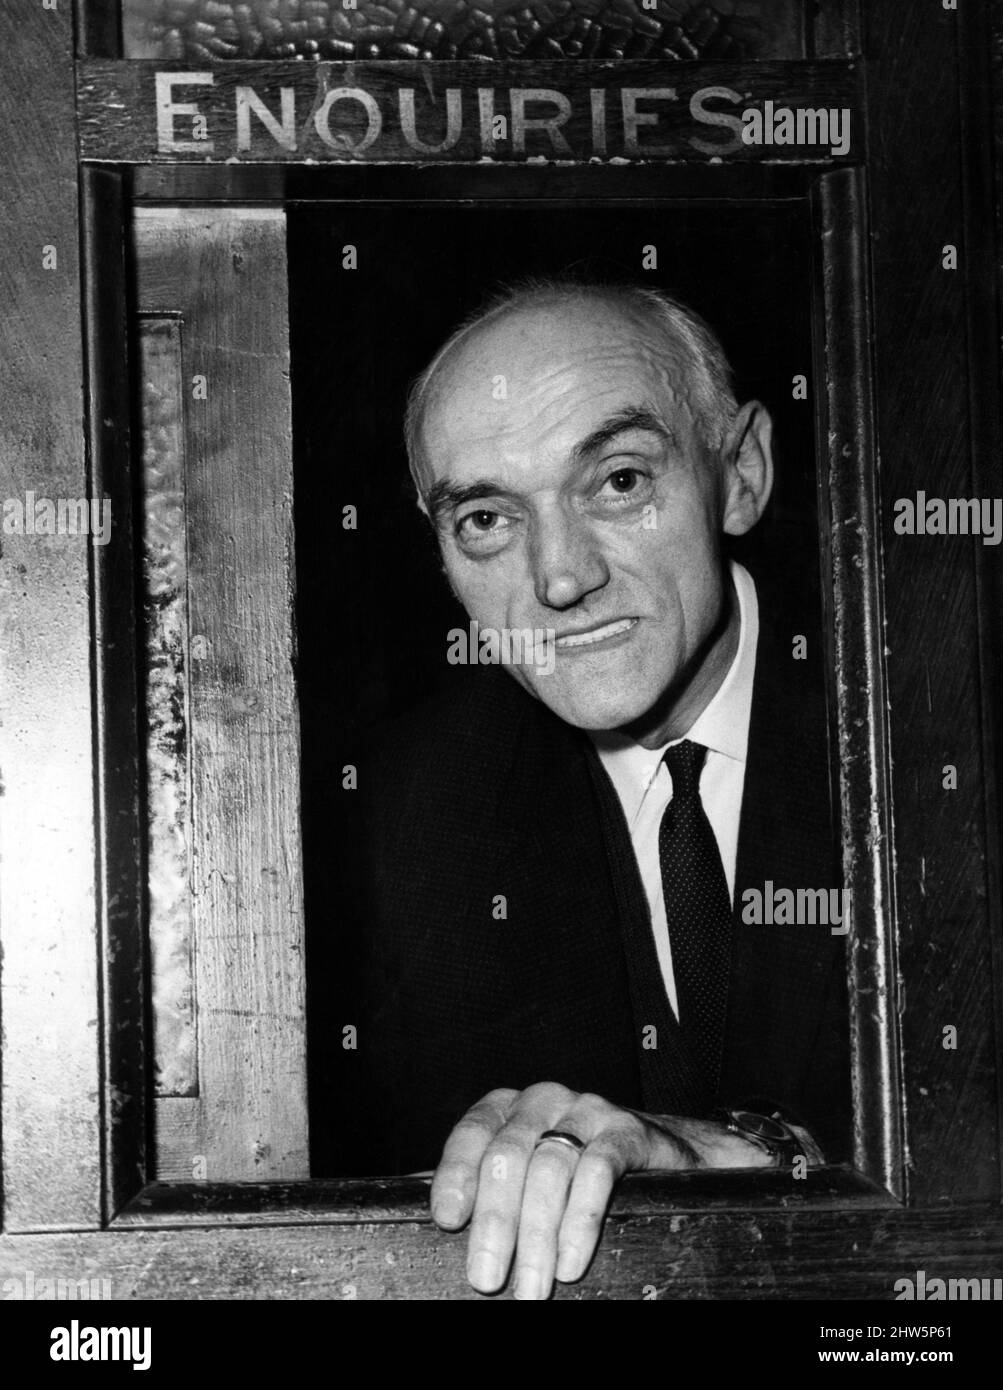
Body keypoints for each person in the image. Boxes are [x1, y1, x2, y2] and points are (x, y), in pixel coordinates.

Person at [321, 279, 849, 1299]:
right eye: (485, 517)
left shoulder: (926, 724)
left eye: (616, 480)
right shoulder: (415, 814)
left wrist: (752, 1153)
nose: (559, 578)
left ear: (739, 472)